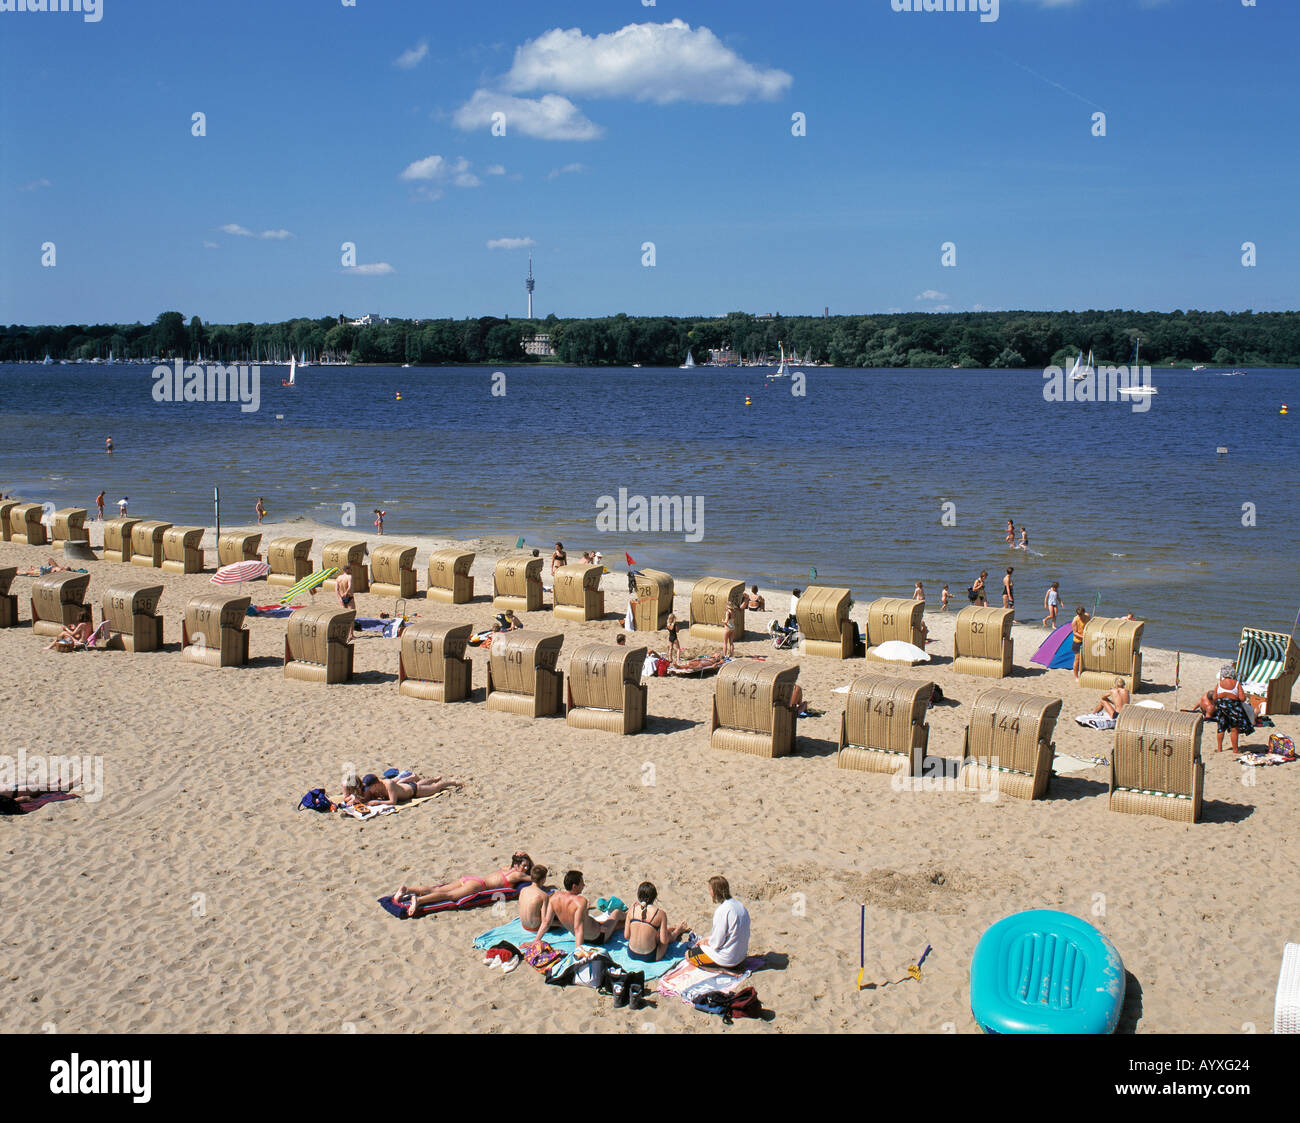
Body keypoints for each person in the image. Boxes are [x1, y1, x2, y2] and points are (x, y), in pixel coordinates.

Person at [393, 851, 533, 919]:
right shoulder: (517, 874)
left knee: (436, 889)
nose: (526, 869)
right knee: (449, 896)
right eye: (524, 865)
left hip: (471, 878)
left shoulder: (506, 868)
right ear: (517, 865)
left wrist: (522, 857)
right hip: (479, 886)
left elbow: (519, 866)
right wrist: (529, 867)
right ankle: (419, 900)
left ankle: (407, 889)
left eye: (527, 866)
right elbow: (533, 878)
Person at [531, 870, 625, 952]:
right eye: (581, 883)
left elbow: (546, 923)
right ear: (574, 886)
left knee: (617, 925)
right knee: (616, 913)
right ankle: (631, 915)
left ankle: (629, 922)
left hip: (591, 931)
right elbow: (578, 928)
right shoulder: (580, 902)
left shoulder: (554, 897)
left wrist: (535, 942)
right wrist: (579, 952)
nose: (584, 885)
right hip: (597, 937)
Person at [687, 876, 751, 971]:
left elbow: (717, 943)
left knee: (688, 955)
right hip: (741, 956)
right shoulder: (740, 905)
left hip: (728, 960)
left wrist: (705, 943)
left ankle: (721, 970)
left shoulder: (722, 910)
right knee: (704, 942)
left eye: (710, 889)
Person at [624, 882, 691, 962]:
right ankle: (677, 931)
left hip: (631, 953)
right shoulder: (660, 914)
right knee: (665, 936)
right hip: (649, 956)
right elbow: (664, 941)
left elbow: (627, 936)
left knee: (654, 932)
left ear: (639, 895)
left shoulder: (632, 910)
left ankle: (672, 929)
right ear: (655, 897)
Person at [348, 771, 464, 809]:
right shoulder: (374, 787)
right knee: (421, 783)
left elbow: (393, 802)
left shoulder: (388, 784)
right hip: (406, 786)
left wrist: (378, 802)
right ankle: (433, 778)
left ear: (376, 783)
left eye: (371, 787)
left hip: (413, 791)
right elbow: (366, 797)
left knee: (436, 787)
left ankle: (452, 782)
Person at [1211, 664, 1255, 753]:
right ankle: (1235, 749)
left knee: (1221, 728)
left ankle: (1219, 749)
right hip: (1234, 709)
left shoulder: (1219, 684)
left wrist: (1222, 698)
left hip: (1222, 708)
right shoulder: (1236, 684)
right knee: (1234, 729)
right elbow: (1242, 699)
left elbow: (1214, 697)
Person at [519, 864, 554, 934]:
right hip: (535, 928)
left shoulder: (523, 890)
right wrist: (560, 924)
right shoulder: (543, 895)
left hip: (524, 926)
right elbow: (545, 922)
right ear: (543, 879)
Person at [1071, 606, 1090, 680]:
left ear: (1084, 613)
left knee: (1086, 658)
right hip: (1077, 641)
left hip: (1085, 640)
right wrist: (1083, 636)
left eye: (1081, 615)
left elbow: (1089, 625)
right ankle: (1076, 676)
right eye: (1079, 615)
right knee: (1077, 659)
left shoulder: (1087, 616)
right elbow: (1075, 632)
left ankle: (1085, 672)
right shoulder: (1075, 620)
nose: (1080, 616)